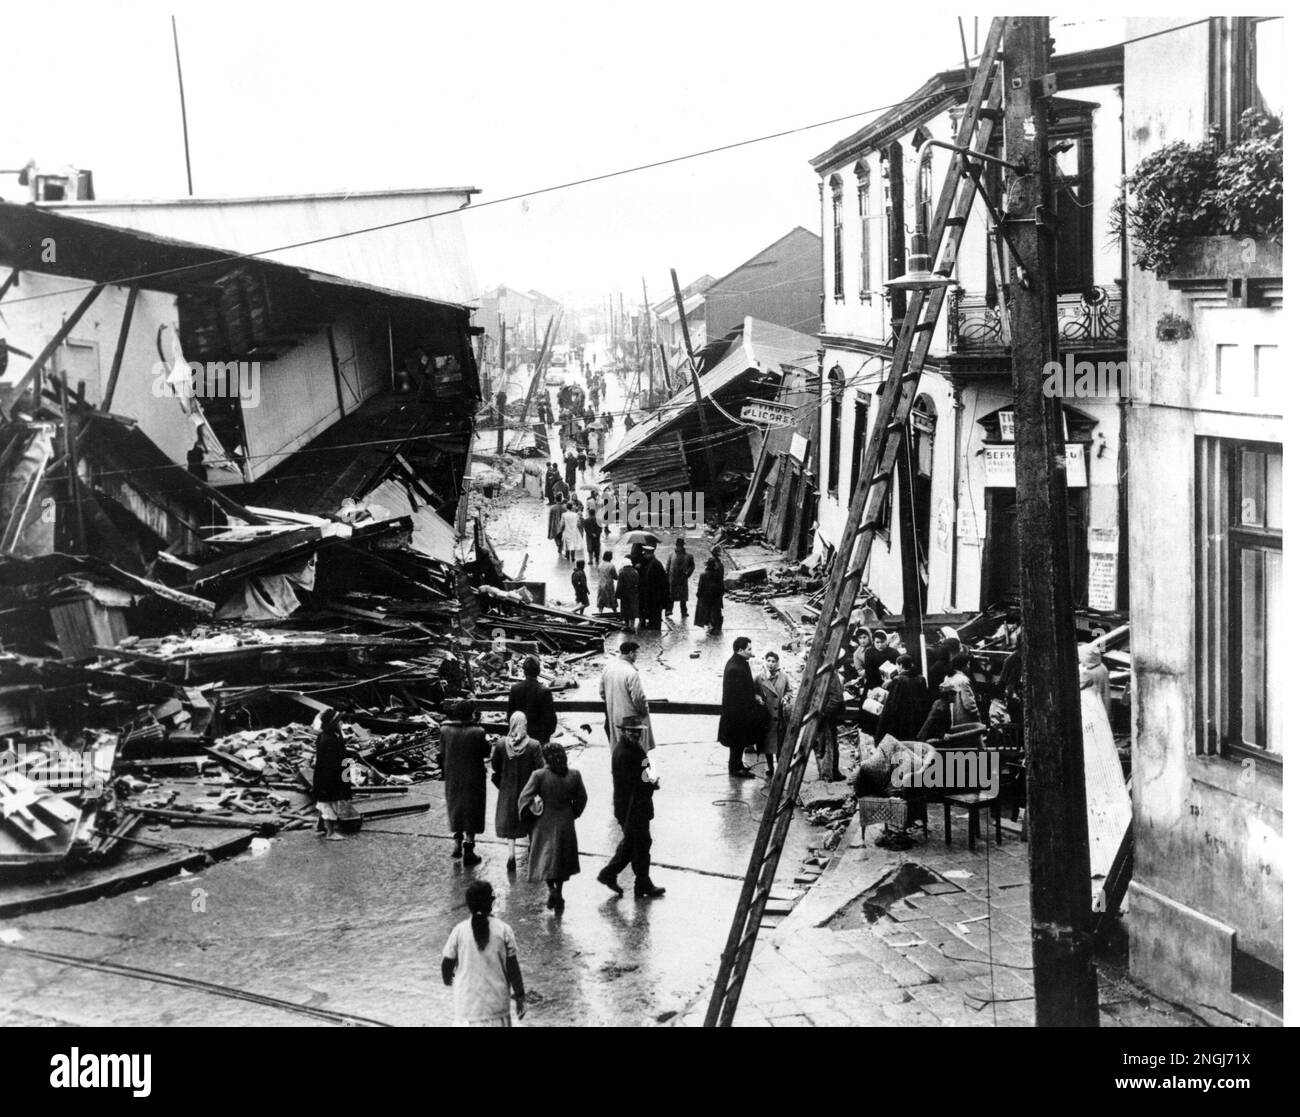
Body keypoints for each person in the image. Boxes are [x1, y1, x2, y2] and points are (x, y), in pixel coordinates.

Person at [596, 718, 665, 899]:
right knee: (640, 844)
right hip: (631, 808)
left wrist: (650, 781)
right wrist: (651, 784)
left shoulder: (632, 748)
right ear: (624, 731)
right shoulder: (625, 753)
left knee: (634, 844)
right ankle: (641, 882)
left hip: (634, 806)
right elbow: (633, 784)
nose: (635, 734)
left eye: (638, 731)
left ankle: (615, 875)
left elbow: (642, 774)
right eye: (631, 731)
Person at [441, 881, 527, 1027]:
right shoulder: (504, 930)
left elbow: (447, 965)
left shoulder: (459, 931)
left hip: (466, 1007)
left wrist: (448, 979)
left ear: (468, 904)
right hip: (496, 1007)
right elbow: (513, 969)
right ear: (492, 902)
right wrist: (520, 997)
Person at [518, 743, 588, 914]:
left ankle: (552, 891)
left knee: (546, 858)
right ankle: (560, 891)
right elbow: (582, 798)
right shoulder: (574, 775)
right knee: (562, 859)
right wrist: (573, 813)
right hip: (566, 821)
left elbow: (523, 798)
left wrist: (527, 816)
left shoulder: (539, 775)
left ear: (545, 757)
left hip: (544, 822)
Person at [490, 712, 544, 874]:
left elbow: (494, 766)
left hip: (507, 790)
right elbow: (540, 769)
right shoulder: (534, 745)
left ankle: (511, 856)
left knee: (510, 823)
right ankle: (532, 853)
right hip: (528, 790)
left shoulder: (501, 744)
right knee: (531, 822)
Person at [440, 699, 490, 866]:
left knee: (455, 808)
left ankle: (456, 844)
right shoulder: (478, 732)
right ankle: (469, 847)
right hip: (473, 776)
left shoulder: (445, 730)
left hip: (453, 775)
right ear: (470, 713)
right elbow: (485, 752)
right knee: (472, 810)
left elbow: (442, 754)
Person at [718, 637, 766, 778]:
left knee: (738, 742)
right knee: (737, 743)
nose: (751, 652)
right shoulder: (736, 668)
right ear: (740, 650)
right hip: (737, 713)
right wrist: (754, 698)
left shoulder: (738, 663)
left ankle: (737, 765)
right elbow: (740, 693)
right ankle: (735, 769)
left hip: (737, 712)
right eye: (749, 649)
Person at [599, 640, 656, 751]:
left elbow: (602, 692)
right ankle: (641, 767)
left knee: (618, 747)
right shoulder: (631, 672)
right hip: (631, 719)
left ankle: (618, 768)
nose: (636, 656)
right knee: (637, 748)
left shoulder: (608, 669)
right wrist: (644, 711)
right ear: (630, 653)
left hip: (613, 715)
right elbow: (638, 697)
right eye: (636, 653)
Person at [311, 708, 352, 840]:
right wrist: (342, 780)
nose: (340, 724)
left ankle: (320, 826)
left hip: (328, 775)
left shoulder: (330, 736)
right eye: (338, 722)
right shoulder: (328, 739)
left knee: (324, 802)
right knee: (329, 803)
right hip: (328, 777)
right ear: (332, 723)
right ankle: (330, 832)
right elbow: (330, 763)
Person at [873, 654, 931, 742]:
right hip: (918, 716)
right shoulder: (921, 679)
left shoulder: (898, 680)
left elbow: (892, 703)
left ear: (900, 665)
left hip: (902, 717)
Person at [756, 652, 792, 780]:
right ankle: (770, 767)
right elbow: (753, 692)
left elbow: (789, 690)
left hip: (779, 716)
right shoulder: (759, 677)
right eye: (769, 661)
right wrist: (758, 697)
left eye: (773, 661)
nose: (771, 664)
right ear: (765, 661)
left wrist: (786, 698)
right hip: (766, 716)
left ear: (777, 662)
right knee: (767, 745)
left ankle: (780, 768)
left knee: (780, 744)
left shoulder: (784, 677)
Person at [506, 655, 557, 744]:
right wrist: (546, 736)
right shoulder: (544, 691)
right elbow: (551, 719)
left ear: (524, 671)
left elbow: (510, 716)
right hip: (539, 739)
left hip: (520, 738)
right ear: (538, 671)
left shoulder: (515, 689)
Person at [814, 669, 846, 781]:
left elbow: (836, 698)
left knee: (828, 744)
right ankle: (828, 774)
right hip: (819, 714)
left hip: (825, 715)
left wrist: (825, 714)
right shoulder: (816, 672)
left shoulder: (830, 674)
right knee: (822, 744)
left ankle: (829, 775)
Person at [694, 548, 725, 634]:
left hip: (706, 596)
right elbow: (721, 583)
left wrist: (699, 594)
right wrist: (721, 593)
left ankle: (710, 625)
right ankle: (716, 626)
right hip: (715, 595)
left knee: (707, 611)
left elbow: (700, 587)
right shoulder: (718, 571)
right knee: (716, 611)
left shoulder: (703, 575)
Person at [664, 538, 695, 622]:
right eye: (678, 545)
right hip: (672, 578)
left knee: (683, 597)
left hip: (682, 578)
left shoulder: (689, 556)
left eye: (680, 546)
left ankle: (684, 611)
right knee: (671, 595)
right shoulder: (671, 554)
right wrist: (666, 575)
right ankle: (669, 610)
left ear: (682, 546)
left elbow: (692, 566)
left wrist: (688, 573)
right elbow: (668, 565)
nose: (679, 547)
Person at [638, 546, 668, 632]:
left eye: (645, 554)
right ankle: (652, 624)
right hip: (651, 593)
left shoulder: (655, 564)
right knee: (652, 610)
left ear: (650, 553)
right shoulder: (650, 563)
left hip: (655, 594)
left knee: (655, 612)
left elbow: (660, 581)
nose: (644, 555)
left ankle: (655, 627)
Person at [616, 558, 640, 630]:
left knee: (625, 610)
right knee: (632, 610)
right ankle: (632, 626)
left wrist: (617, 594)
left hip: (624, 595)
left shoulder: (622, 573)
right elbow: (638, 584)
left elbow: (619, 585)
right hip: (633, 594)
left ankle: (626, 626)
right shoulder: (635, 572)